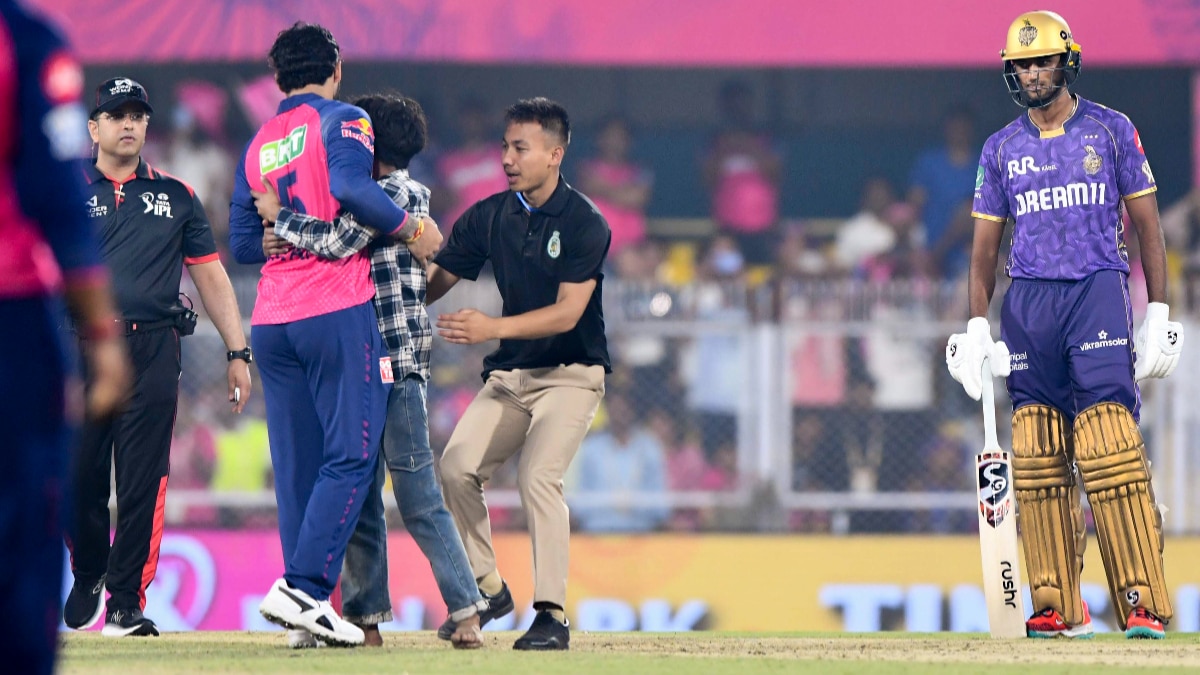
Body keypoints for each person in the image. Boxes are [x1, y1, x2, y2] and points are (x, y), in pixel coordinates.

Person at [946, 10, 1182, 640]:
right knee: (1037, 455)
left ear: (1067, 61)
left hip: (1097, 291)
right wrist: (975, 327)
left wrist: (1159, 310)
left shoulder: (1109, 130)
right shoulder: (1000, 149)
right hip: (1029, 306)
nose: (1031, 72)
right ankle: (1054, 603)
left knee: (1109, 445)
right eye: (1021, 64)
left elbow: (1148, 226)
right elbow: (983, 254)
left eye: (1043, 60)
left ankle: (1140, 600)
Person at [227, 22, 441, 647]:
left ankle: (302, 623)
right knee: (351, 454)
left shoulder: (258, 143)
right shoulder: (344, 118)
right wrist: (410, 228)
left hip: (272, 319)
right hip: (333, 308)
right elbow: (351, 187)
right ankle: (305, 590)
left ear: (277, 78)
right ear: (336, 67)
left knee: (297, 466)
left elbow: (243, 243)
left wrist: (278, 232)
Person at [252, 92, 486, 649]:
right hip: (370, 359)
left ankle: (468, 608)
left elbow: (336, 243)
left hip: (393, 363)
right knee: (356, 490)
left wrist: (279, 218)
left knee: (417, 493)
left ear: (369, 144)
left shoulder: (386, 196)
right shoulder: (404, 194)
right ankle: (365, 618)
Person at [63, 76, 253, 639]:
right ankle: (89, 567)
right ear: (93, 126)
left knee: (145, 480)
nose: (129, 124)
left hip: (154, 349)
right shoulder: (64, 188)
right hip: (80, 348)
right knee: (77, 475)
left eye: (138, 115)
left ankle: (125, 606)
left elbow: (211, 275)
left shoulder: (177, 196)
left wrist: (237, 350)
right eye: (117, 115)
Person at [427, 97, 611, 651]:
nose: (506, 158)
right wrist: (397, 292)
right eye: (505, 145)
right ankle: (487, 589)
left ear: (555, 155)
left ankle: (551, 615)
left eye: (520, 148)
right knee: (456, 467)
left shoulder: (585, 223)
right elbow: (440, 278)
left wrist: (491, 327)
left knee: (538, 475)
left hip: (572, 374)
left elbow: (567, 314)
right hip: (512, 376)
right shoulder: (489, 215)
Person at [0, 3, 131, 671]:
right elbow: (52, 191)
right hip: (13, 313)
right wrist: (103, 334)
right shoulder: (25, 40)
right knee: (22, 528)